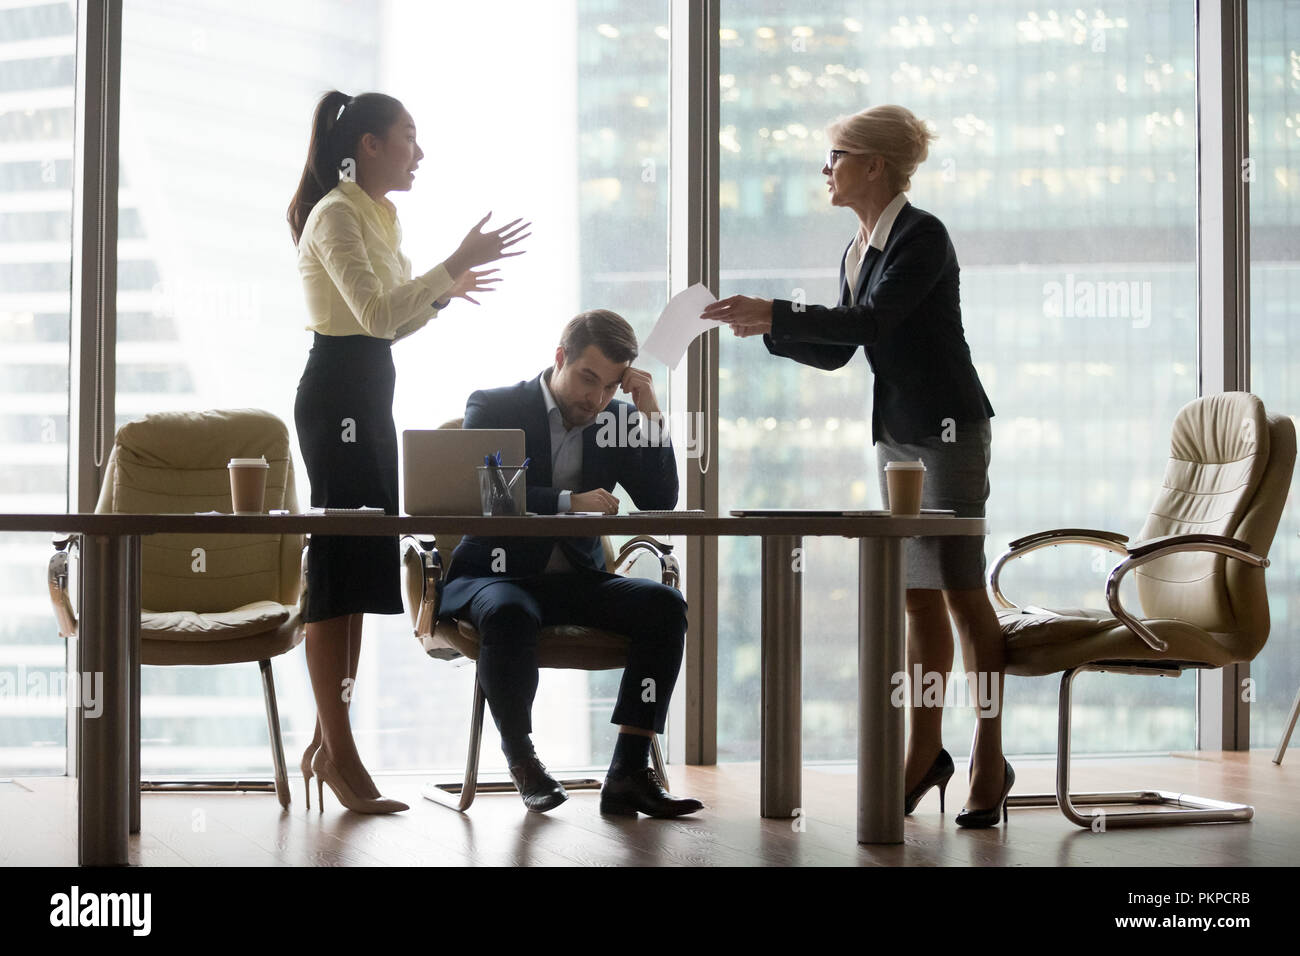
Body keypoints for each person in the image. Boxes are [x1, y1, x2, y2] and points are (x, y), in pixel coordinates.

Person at [700, 104, 1011, 828]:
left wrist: (777, 311)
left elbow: (872, 325)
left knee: (963, 593)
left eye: (834, 155)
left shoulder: (921, 235)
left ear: (873, 164)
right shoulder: (859, 245)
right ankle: (925, 752)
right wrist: (764, 329)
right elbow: (841, 348)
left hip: (950, 431)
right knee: (916, 599)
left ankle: (989, 758)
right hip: (898, 436)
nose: (825, 170)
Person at [286, 89, 528, 813]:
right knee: (335, 572)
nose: (418, 154)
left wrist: (445, 292)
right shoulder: (336, 213)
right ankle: (340, 756)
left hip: (367, 396)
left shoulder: (378, 215)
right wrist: (452, 263)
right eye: (408, 138)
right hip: (337, 403)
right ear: (366, 144)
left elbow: (392, 328)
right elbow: (375, 314)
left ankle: (332, 746)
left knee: (360, 570)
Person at [438, 310, 703, 818]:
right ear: (560, 357)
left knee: (664, 606)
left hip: (577, 579)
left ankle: (628, 770)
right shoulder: (494, 404)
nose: (596, 398)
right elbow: (491, 493)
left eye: (608, 387)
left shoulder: (616, 418)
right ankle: (523, 761)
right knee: (510, 613)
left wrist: (647, 413)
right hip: (496, 574)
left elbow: (661, 499)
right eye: (587, 379)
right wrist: (568, 501)